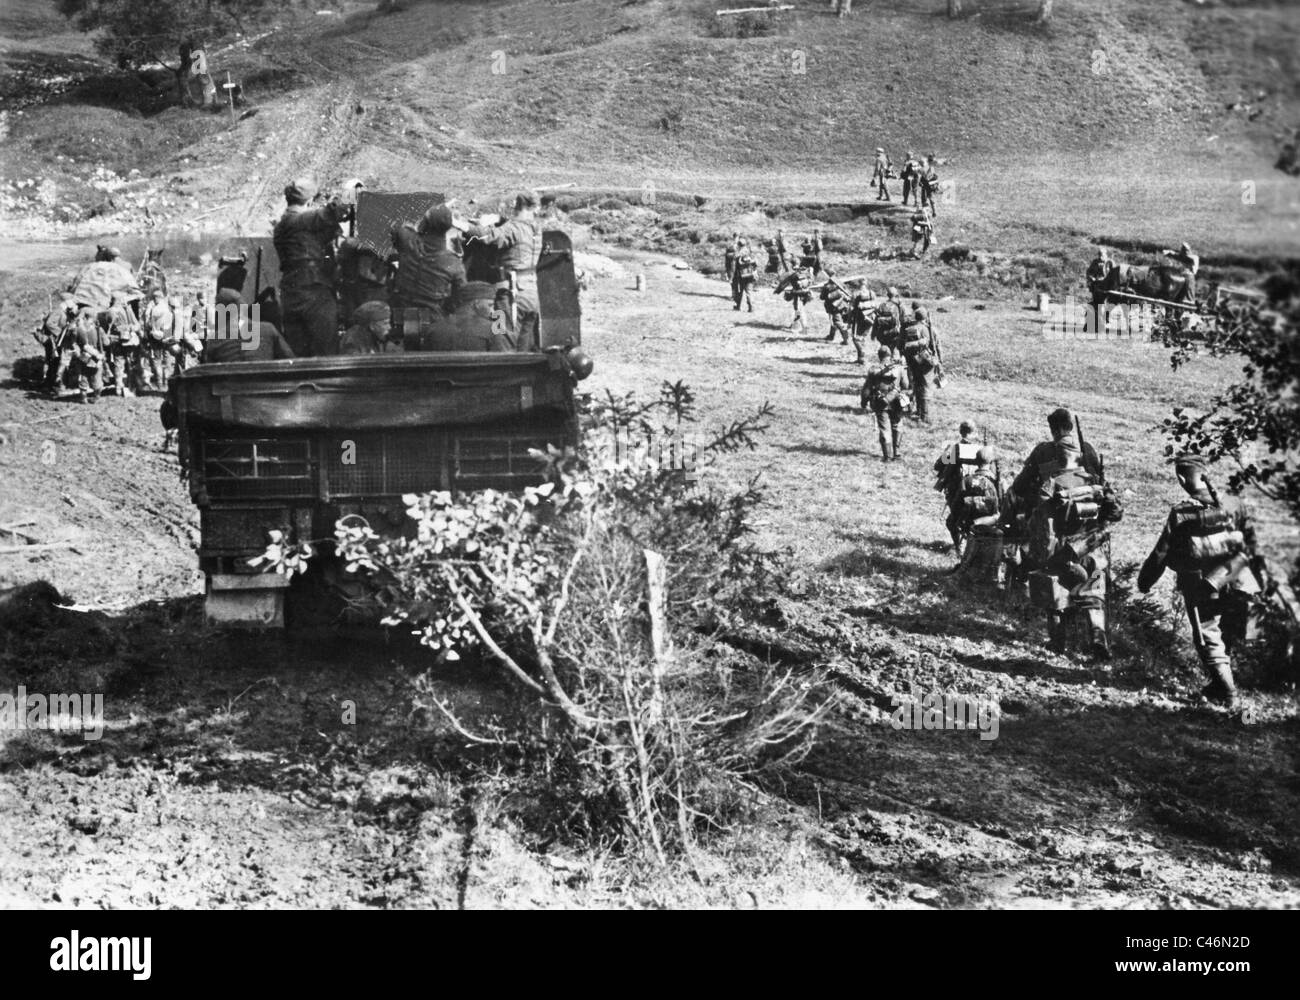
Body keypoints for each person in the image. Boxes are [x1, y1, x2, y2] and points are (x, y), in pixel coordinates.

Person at [1137, 456, 1262, 710]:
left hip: (1201, 584)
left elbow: (1160, 553)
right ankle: (1218, 686)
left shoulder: (1182, 513)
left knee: (1207, 634)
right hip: (1236, 578)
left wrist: (1145, 581)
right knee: (1225, 632)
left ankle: (1229, 696)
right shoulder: (1232, 503)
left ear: (1182, 479)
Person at [1010, 408, 1120, 658]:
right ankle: (1097, 638)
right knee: (1093, 585)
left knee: (1054, 586)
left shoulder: (1047, 464)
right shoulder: (1089, 463)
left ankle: (1058, 643)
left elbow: (1025, 495)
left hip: (1058, 541)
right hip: (1089, 540)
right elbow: (1110, 504)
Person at [273, 177, 350, 357]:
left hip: (291, 291)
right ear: (309, 200)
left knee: (298, 350)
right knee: (327, 348)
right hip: (313, 291)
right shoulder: (301, 219)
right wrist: (347, 195)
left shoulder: (284, 224)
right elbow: (333, 211)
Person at [457, 191, 543, 351]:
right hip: (533, 294)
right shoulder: (536, 230)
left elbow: (487, 236)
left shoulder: (513, 228)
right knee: (525, 347)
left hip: (511, 295)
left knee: (500, 337)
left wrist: (462, 225)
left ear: (517, 204)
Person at [392, 202, 468, 349]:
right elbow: (462, 295)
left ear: (424, 224)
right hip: (433, 320)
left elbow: (396, 223)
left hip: (401, 315)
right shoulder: (453, 262)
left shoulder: (408, 241)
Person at [202, 288, 296, 363]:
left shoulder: (214, 340)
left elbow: (209, 374)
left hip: (231, 386)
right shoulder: (268, 329)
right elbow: (291, 361)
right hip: (265, 385)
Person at [933, 420, 982, 554]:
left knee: (954, 520)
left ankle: (960, 548)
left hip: (956, 491)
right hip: (976, 491)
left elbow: (938, 466)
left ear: (961, 432)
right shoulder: (981, 449)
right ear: (975, 432)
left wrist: (946, 452)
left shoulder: (956, 448)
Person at [861, 346, 910, 461]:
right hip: (896, 401)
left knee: (884, 428)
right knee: (897, 425)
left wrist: (864, 402)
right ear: (890, 355)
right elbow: (906, 385)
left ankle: (887, 456)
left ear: (879, 356)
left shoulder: (873, 370)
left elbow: (867, 389)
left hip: (880, 402)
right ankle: (897, 453)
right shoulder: (899, 368)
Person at [901, 302, 941, 422]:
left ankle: (918, 411)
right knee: (926, 387)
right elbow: (936, 346)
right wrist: (939, 361)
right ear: (924, 318)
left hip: (912, 362)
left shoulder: (909, 329)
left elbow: (900, 345)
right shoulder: (928, 329)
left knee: (917, 385)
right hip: (925, 362)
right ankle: (925, 415)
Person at [34, 294, 76, 396]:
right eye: (71, 301)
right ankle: (48, 384)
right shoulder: (58, 311)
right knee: (52, 360)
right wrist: (60, 332)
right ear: (66, 302)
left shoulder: (64, 312)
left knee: (54, 361)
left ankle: (50, 384)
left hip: (56, 340)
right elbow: (49, 323)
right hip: (52, 340)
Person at [99, 293, 140, 397]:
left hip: (116, 341)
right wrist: (130, 328)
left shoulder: (109, 311)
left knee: (118, 364)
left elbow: (107, 326)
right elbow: (136, 325)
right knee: (131, 364)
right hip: (129, 340)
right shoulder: (127, 309)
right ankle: (131, 387)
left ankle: (118, 387)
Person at [70, 307, 105, 404]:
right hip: (95, 357)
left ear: (85, 317)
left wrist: (77, 353)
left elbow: (74, 343)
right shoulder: (98, 329)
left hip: (83, 357)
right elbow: (106, 342)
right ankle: (96, 397)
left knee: (83, 377)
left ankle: (83, 398)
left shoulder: (77, 329)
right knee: (97, 377)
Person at [141, 287, 174, 391]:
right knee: (167, 359)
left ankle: (159, 383)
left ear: (156, 298)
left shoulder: (154, 309)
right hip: (167, 337)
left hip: (155, 337)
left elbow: (147, 323)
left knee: (157, 360)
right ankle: (167, 382)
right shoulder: (167, 309)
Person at [773, 263, 814, 333]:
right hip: (806, 294)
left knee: (798, 310)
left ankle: (801, 328)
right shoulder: (806, 274)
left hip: (797, 294)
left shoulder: (793, 275)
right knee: (800, 309)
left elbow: (784, 284)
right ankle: (795, 325)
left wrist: (777, 291)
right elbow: (811, 282)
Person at [819, 270, 852, 345]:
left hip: (834, 307)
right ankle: (831, 336)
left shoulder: (827, 286)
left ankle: (846, 339)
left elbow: (822, 297)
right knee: (834, 321)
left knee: (837, 321)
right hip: (842, 305)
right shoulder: (839, 283)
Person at [848, 280, 876, 365]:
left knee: (855, 338)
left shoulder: (855, 294)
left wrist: (849, 321)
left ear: (859, 284)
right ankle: (860, 358)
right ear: (866, 284)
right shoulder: (872, 293)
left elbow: (850, 308)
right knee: (863, 337)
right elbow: (875, 305)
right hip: (869, 318)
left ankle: (862, 355)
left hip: (858, 318)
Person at [731, 239, 758, 312]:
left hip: (741, 275)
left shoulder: (738, 253)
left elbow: (734, 264)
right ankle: (751, 307)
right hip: (750, 275)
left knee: (739, 291)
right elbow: (755, 263)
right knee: (749, 292)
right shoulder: (749, 252)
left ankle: (738, 306)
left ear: (739, 245)